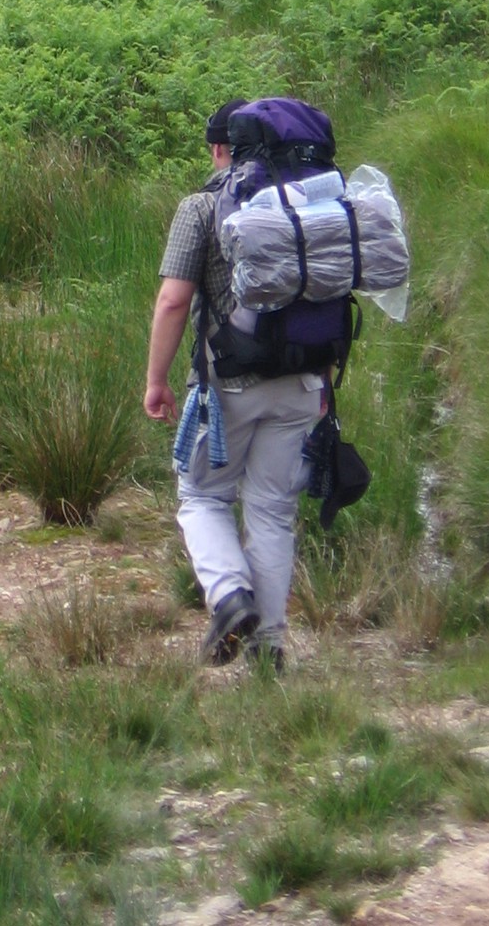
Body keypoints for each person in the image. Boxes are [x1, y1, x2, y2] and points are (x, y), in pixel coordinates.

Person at [143, 98, 324, 672]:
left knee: (202, 496)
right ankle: (268, 649)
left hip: (228, 387)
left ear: (220, 149)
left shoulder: (201, 208)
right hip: (303, 383)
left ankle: (228, 599)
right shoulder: (315, 203)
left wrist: (156, 380)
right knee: (271, 511)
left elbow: (174, 301)